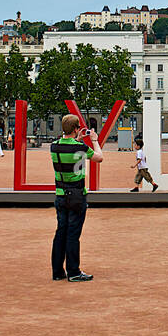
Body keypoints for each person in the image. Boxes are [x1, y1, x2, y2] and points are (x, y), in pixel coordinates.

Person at [50, 113, 104, 282]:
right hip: (77, 195)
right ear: (76, 129)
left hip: (60, 193)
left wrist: (77, 140)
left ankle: (58, 271)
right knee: (73, 234)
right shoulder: (79, 148)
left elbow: (72, 154)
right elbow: (99, 158)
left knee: (60, 232)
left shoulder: (54, 146)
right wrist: (94, 140)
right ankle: (73, 271)